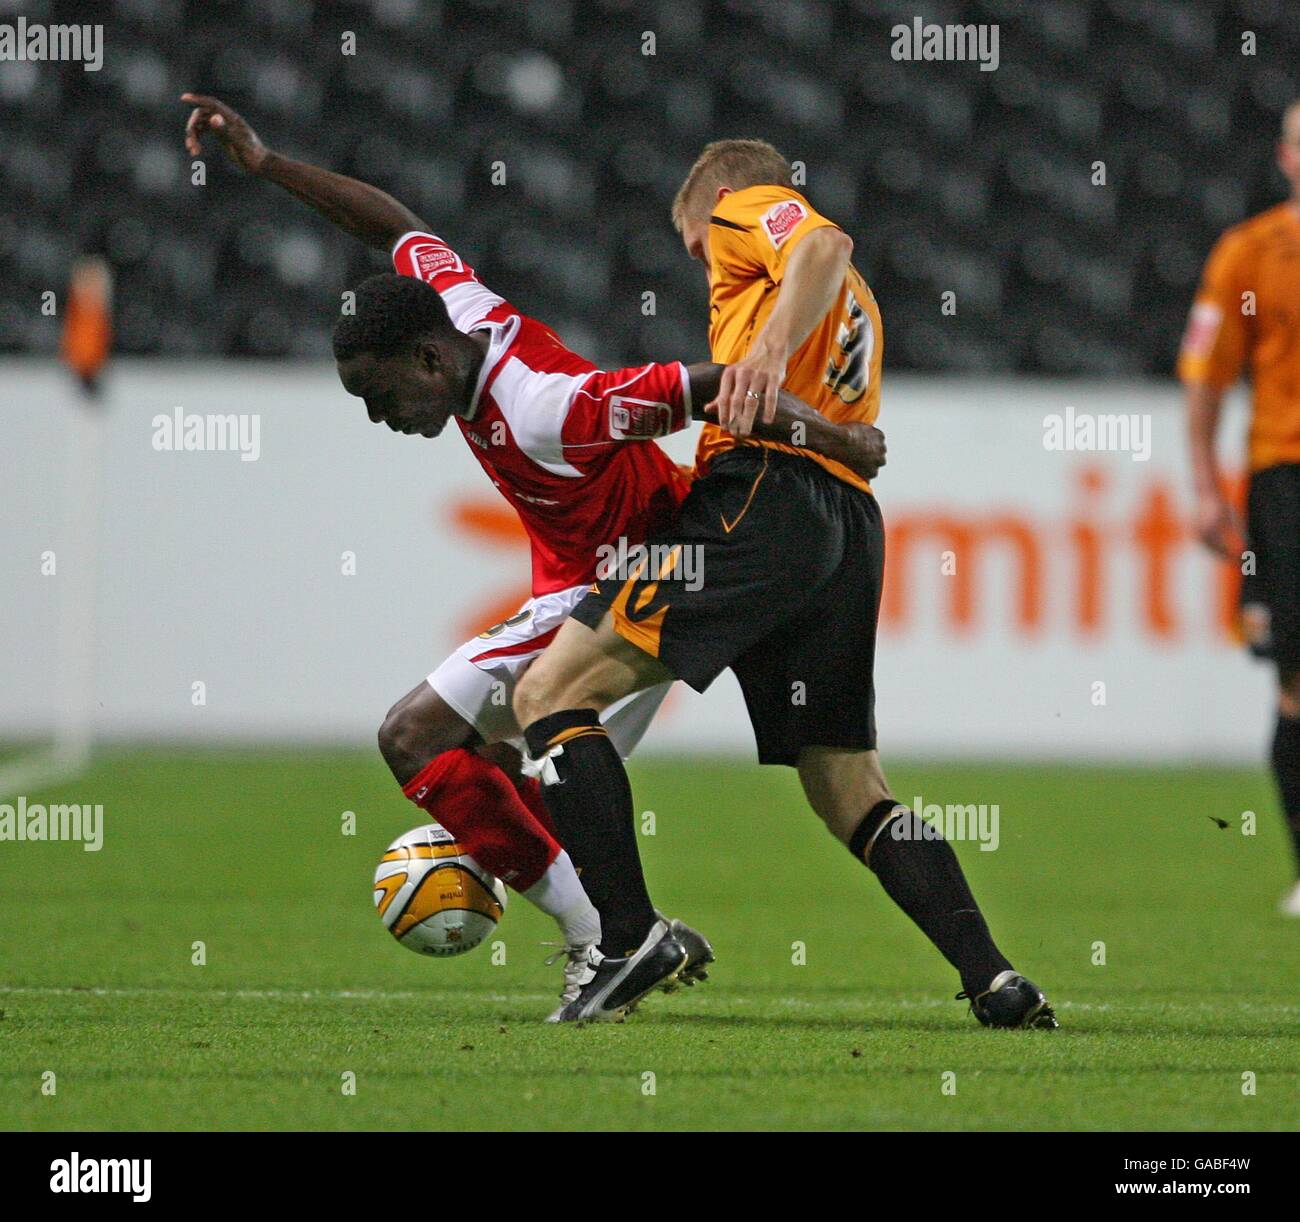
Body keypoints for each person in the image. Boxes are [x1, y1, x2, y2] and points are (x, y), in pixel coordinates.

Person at [180, 97, 887, 1015]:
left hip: (629, 579)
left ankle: (607, 939)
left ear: (430, 362)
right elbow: (394, 224)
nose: (377, 415)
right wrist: (269, 164)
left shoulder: (547, 408)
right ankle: (619, 933)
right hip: (588, 578)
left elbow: (706, 387)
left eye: (376, 390)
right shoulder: (458, 307)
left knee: (413, 735)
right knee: (514, 781)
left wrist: (833, 438)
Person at [514, 139, 1057, 1027]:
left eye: (697, 248)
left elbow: (821, 245)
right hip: (844, 526)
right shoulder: (858, 312)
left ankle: (626, 940)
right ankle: (994, 979)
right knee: (846, 782)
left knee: (551, 689)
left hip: (759, 497)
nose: (707, 268)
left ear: (722, 195)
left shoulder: (746, 209)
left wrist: (762, 351)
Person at [1179, 99, 1300, 916]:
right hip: (1286, 477)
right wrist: (1202, 484)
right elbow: (1208, 375)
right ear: (1287, 157)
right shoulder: (1250, 252)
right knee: (1296, 678)